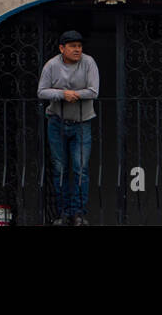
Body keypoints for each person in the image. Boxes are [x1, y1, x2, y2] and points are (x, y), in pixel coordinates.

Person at [37, 30, 99, 225]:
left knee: (80, 168)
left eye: (79, 46)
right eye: (72, 46)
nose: (77, 50)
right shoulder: (52, 65)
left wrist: (75, 95)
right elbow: (41, 91)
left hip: (82, 122)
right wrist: (62, 94)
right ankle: (63, 213)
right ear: (62, 48)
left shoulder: (88, 63)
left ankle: (78, 213)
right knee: (59, 168)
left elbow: (93, 91)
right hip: (57, 121)